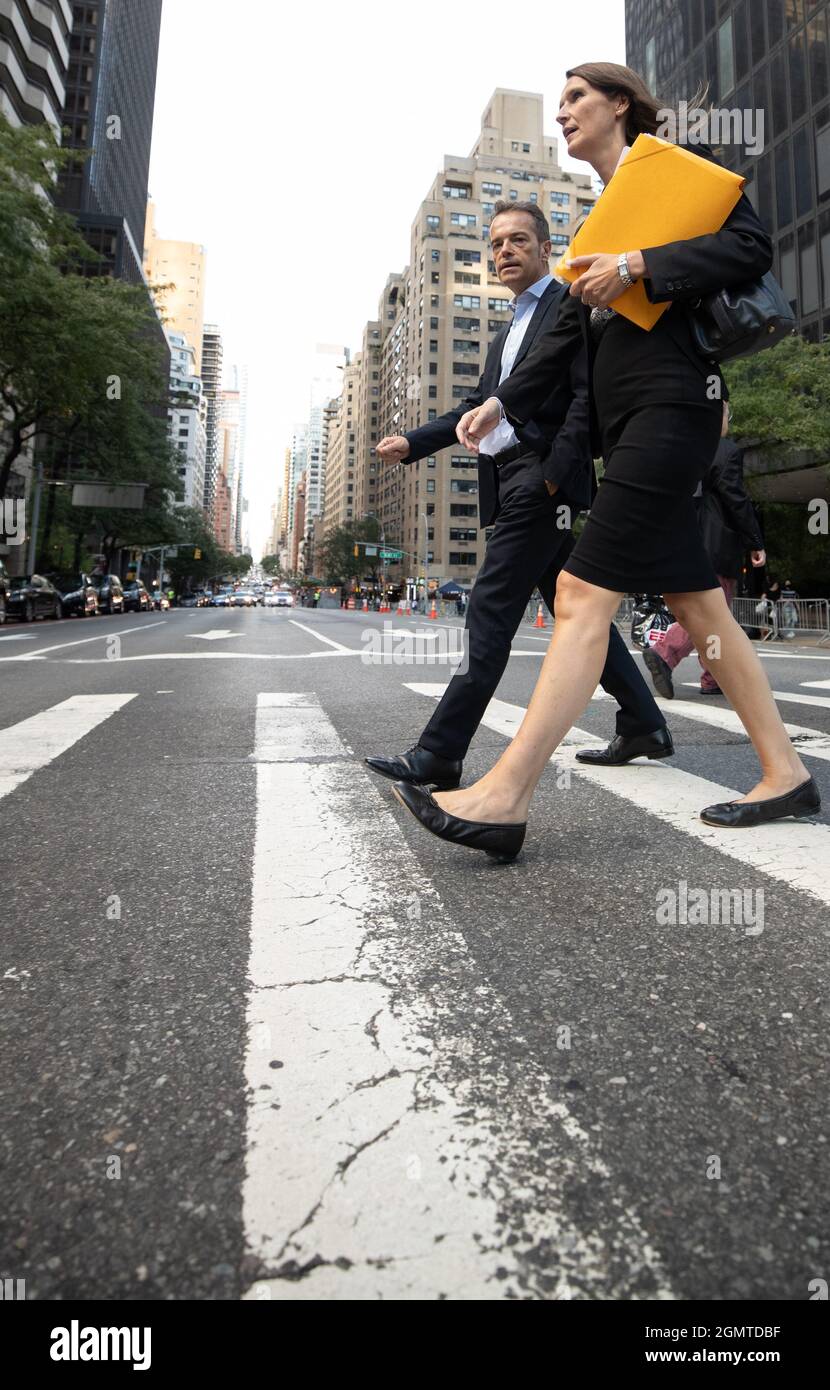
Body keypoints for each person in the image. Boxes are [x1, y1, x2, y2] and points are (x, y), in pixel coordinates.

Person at [390, 61, 819, 861]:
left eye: (576, 100)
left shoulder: (672, 178)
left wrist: (641, 266)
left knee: (582, 592)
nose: (562, 115)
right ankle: (785, 771)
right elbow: (559, 339)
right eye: (557, 105)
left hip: (672, 407)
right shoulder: (593, 228)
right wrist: (501, 404)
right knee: (702, 607)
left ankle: (505, 794)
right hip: (630, 427)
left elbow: (751, 244)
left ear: (620, 104)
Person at [367, 198, 669, 795]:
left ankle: (440, 752)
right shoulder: (506, 331)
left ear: (544, 249)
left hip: (540, 477)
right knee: (574, 612)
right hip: (505, 477)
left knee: (490, 610)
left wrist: (558, 472)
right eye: (496, 244)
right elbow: (476, 408)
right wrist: (414, 443)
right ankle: (644, 722)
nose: (504, 252)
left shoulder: (568, 302)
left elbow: (587, 395)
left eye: (518, 242)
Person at [644, 401, 766, 697]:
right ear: (718, 417)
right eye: (727, 415)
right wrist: (755, 541)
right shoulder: (725, 450)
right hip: (716, 543)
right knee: (713, 613)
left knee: (710, 610)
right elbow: (735, 499)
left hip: (684, 539)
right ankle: (665, 652)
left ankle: (712, 676)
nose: (728, 421)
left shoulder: (683, 447)